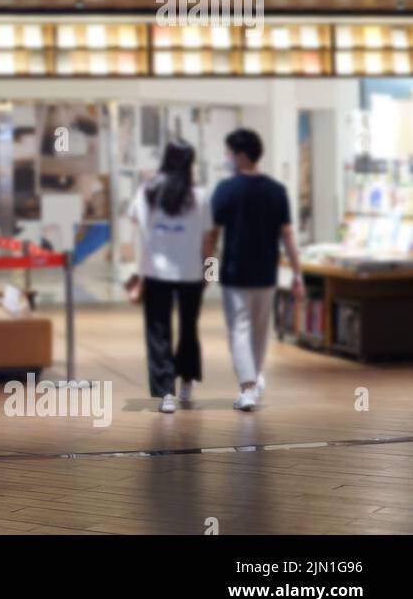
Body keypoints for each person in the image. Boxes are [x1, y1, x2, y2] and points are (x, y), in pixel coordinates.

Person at [210, 128, 305, 412]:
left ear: (240, 156)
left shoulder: (226, 190)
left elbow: (211, 235)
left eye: (229, 152)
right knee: (261, 331)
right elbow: (287, 235)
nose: (226, 158)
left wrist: (207, 268)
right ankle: (252, 378)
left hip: (235, 273)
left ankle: (248, 387)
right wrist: (297, 273)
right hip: (266, 272)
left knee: (239, 329)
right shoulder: (276, 191)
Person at [129, 140, 214, 413]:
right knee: (189, 327)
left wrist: (138, 269)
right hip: (191, 271)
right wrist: (209, 270)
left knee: (158, 331)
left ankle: (166, 392)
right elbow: (208, 239)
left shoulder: (149, 191)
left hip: (156, 272)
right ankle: (187, 381)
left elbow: (137, 227)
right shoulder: (199, 196)